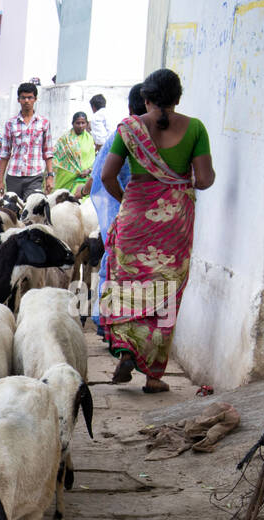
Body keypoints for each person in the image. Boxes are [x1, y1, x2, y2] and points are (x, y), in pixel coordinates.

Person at [99, 68, 215, 393]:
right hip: (174, 224)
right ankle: (153, 376)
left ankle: (126, 352)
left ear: (146, 99)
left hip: (134, 220)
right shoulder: (195, 129)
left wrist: (129, 204)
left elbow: (108, 175)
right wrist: (181, 179)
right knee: (165, 296)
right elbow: (204, 180)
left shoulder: (130, 129)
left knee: (128, 289)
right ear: (178, 99)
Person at [88, 84, 145, 333]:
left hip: (120, 211)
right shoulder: (166, 137)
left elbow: (102, 176)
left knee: (113, 265)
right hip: (152, 216)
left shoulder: (121, 134)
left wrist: (124, 203)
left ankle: (106, 320)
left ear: (130, 107)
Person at [0, 81, 54, 199]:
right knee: (13, 211)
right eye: (23, 98)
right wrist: (0, 181)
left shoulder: (44, 123)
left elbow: (48, 152)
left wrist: (50, 176)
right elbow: (5, 154)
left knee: (32, 209)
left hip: (35, 175)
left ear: (35, 99)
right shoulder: (11, 123)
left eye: (30, 97)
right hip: (14, 175)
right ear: (18, 100)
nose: (26, 101)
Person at [52, 111, 97, 196]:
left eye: (83, 123)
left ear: (87, 124)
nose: (80, 126)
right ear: (72, 124)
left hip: (85, 178)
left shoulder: (89, 139)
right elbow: (56, 158)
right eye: (78, 123)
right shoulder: (65, 139)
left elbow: (92, 158)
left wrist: (89, 170)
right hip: (67, 178)